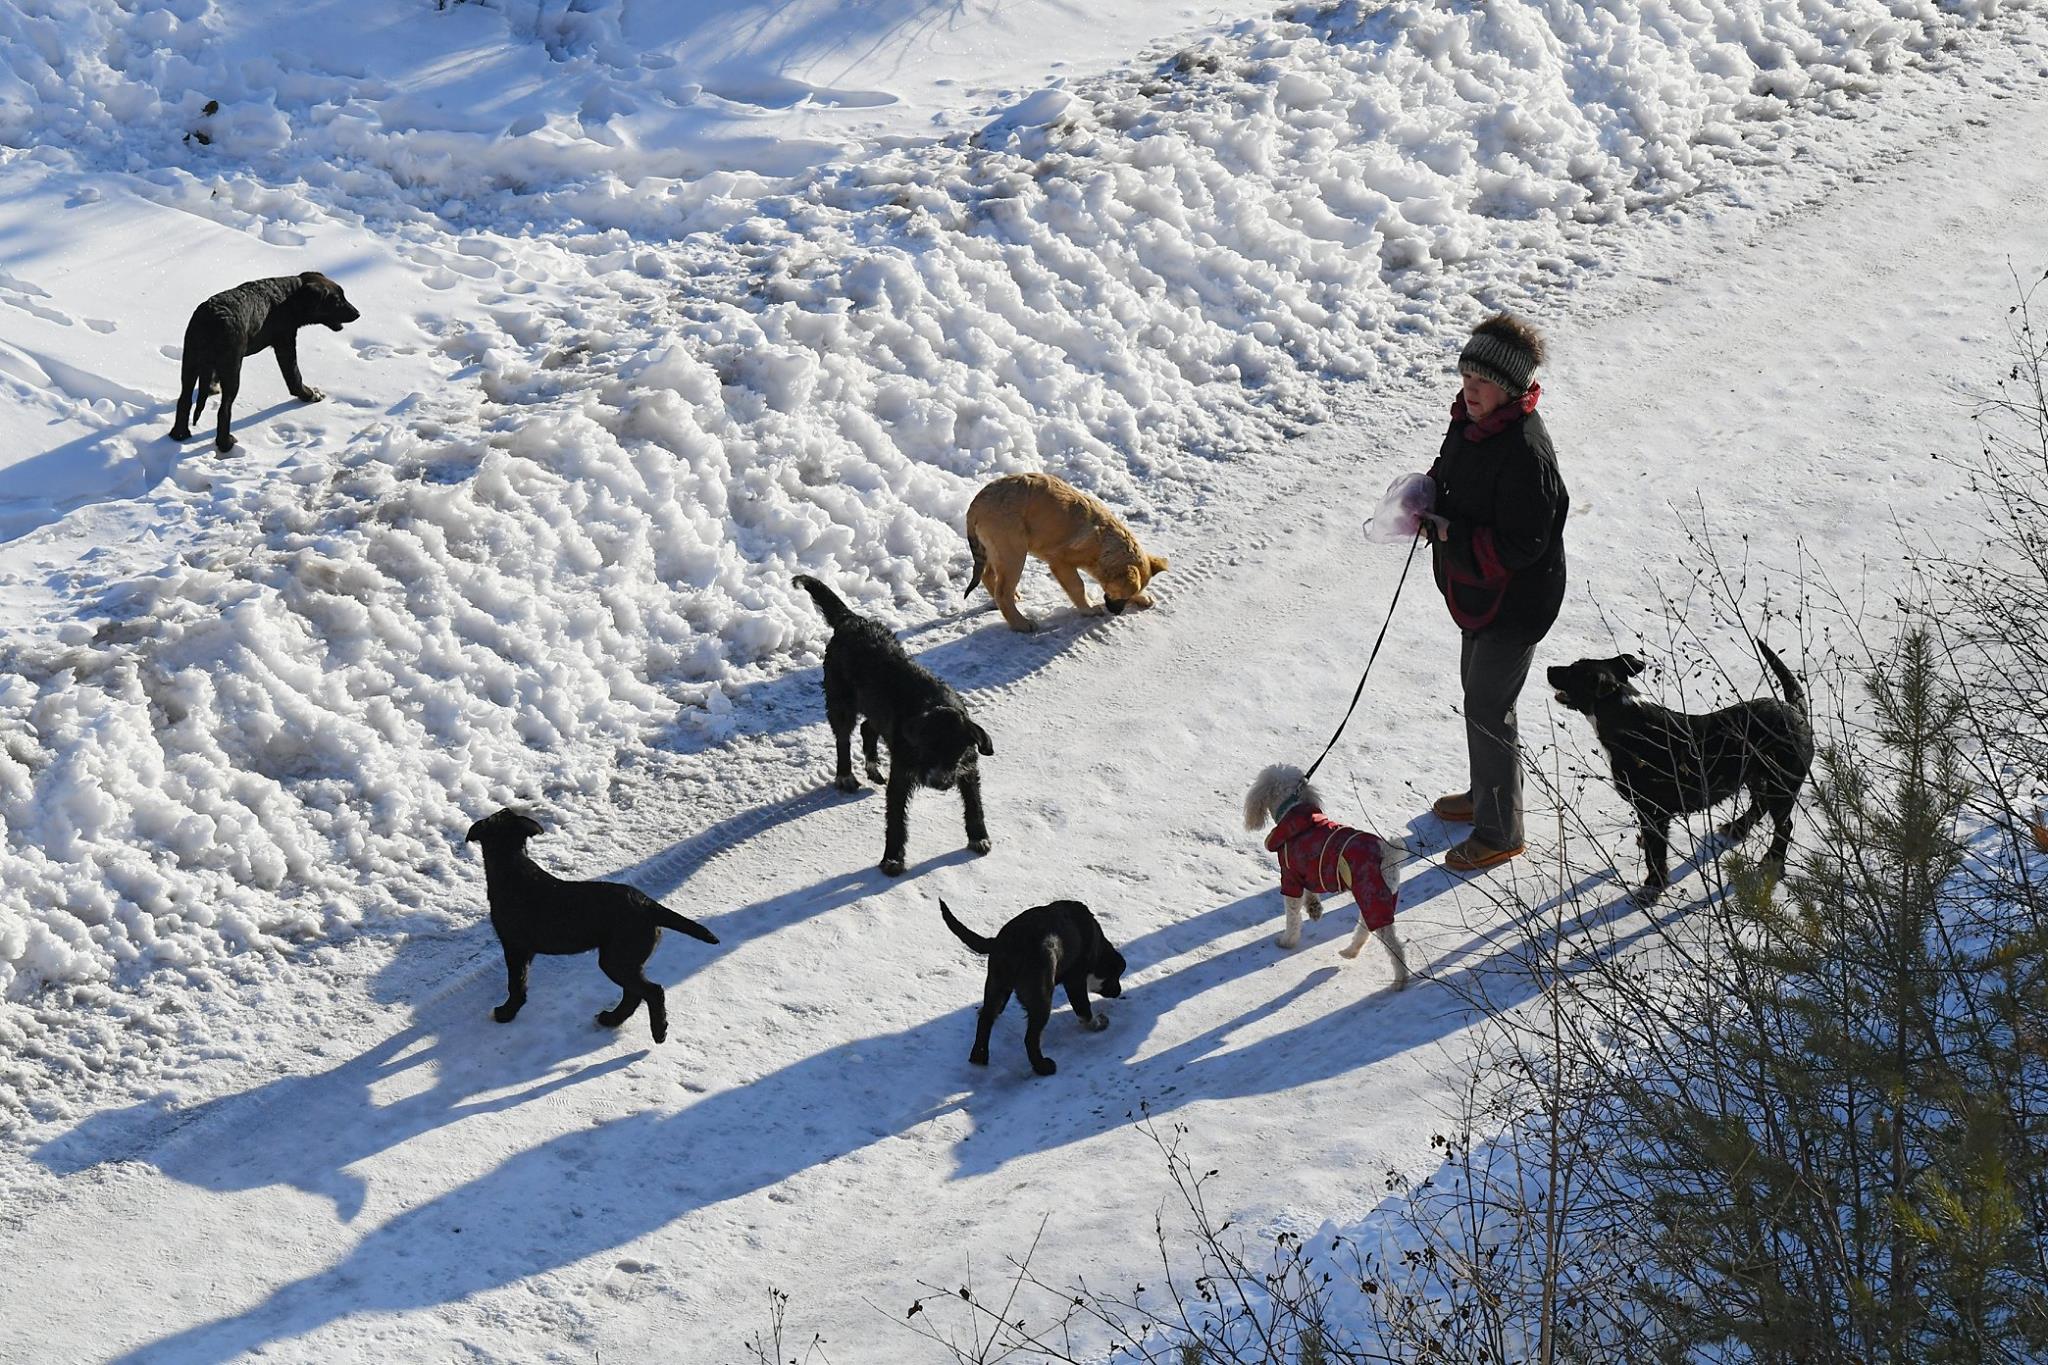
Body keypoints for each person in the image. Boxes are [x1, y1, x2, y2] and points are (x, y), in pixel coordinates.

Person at [1420, 314, 1568, 872]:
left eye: (1481, 381)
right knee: (1479, 696)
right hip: (1478, 592)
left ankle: (1501, 829)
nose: (1469, 389)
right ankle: (1489, 795)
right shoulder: (1471, 420)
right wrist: (1425, 493)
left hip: (1517, 601)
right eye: (1464, 376)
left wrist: (1451, 534)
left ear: (1510, 386)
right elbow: (1451, 469)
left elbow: (1524, 543)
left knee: (1487, 704)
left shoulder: (1525, 450)